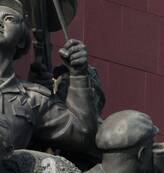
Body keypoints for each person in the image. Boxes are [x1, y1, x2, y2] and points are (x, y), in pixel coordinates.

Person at [0, 1, 97, 154]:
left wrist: (78, 74)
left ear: (21, 40)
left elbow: (82, 134)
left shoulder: (33, 100)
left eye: (8, 18)